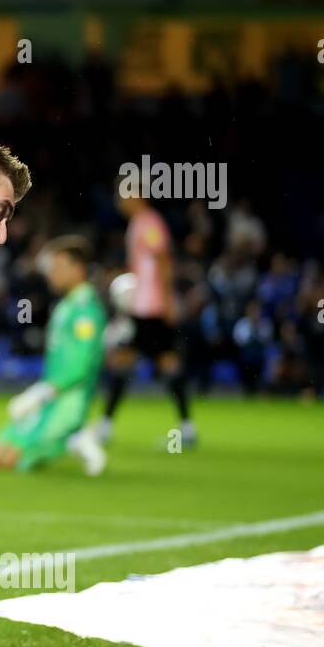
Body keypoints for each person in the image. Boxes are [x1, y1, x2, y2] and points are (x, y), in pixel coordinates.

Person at [0, 236, 108, 476]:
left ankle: (75, 437)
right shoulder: (66, 305)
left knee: (14, 462)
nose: (52, 274)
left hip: (67, 402)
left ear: (78, 269)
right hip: (49, 399)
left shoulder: (86, 309)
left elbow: (79, 366)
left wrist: (40, 393)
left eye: (59, 268)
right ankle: (75, 438)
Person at [93, 180, 196, 448]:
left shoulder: (148, 222)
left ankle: (105, 425)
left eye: (122, 195)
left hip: (151, 307)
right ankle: (186, 427)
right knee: (155, 360)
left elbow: (162, 260)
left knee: (138, 360)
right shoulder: (140, 222)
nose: (119, 201)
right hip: (145, 306)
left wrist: (168, 299)